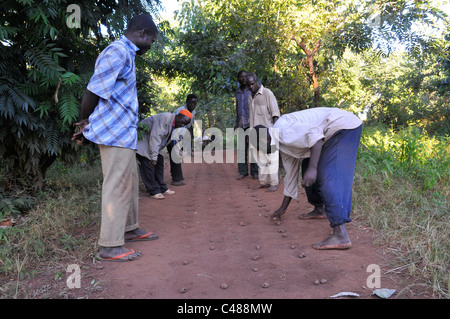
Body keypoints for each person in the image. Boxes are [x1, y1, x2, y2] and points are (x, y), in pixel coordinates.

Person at [71, 14, 159, 262]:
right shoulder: (118, 51)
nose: (151, 45)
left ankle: (130, 228)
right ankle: (110, 245)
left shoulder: (127, 54)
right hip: (113, 132)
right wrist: (84, 121)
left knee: (128, 182)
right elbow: (93, 89)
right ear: (142, 33)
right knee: (116, 186)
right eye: (151, 39)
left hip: (124, 133)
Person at [254, 107, 362, 250]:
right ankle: (320, 209)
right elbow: (291, 175)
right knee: (306, 165)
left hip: (342, 126)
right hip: (331, 132)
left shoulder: (282, 130)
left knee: (327, 176)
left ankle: (340, 234)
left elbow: (316, 136)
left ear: (265, 139)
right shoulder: (281, 143)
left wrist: (313, 169)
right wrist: (282, 209)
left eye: (259, 146)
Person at [136, 111, 193, 199]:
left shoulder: (176, 124)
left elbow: (175, 139)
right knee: (148, 164)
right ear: (178, 116)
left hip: (154, 144)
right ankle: (153, 191)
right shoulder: (165, 119)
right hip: (144, 141)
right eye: (182, 122)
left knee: (159, 163)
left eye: (184, 124)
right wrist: (154, 156)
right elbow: (155, 137)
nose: (182, 125)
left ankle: (162, 188)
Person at [246, 72, 280, 192]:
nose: (251, 87)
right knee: (260, 159)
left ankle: (274, 183)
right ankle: (264, 181)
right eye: (248, 85)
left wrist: (274, 134)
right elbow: (251, 117)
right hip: (255, 133)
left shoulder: (267, 94)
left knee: (272, 158)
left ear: (257, 81)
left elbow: (275, 114)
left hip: (268, 133)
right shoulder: (250, 97)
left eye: (252, 84)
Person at [167, 94, 198, 186]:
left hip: (181, 132)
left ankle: (178, 176)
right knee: (175, 154)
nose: (193, 105)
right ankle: (175, 179)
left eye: (195, 103)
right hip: (171, 133)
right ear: (187, 102)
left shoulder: (193, 112)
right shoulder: (180, 111)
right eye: (191, 103)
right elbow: (174, 125)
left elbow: (187, 127)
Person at [235, 70, 258, 180]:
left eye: (245, 77)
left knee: (253, 148)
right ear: (238, 79)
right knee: (241, 148)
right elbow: (237, 108)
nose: (243, 79)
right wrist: (236, 122)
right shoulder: (238, 92)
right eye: (241, 77)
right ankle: (243, 171)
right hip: (241, 124)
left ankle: (255, 172)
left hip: (251, 123)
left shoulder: (252, 90)